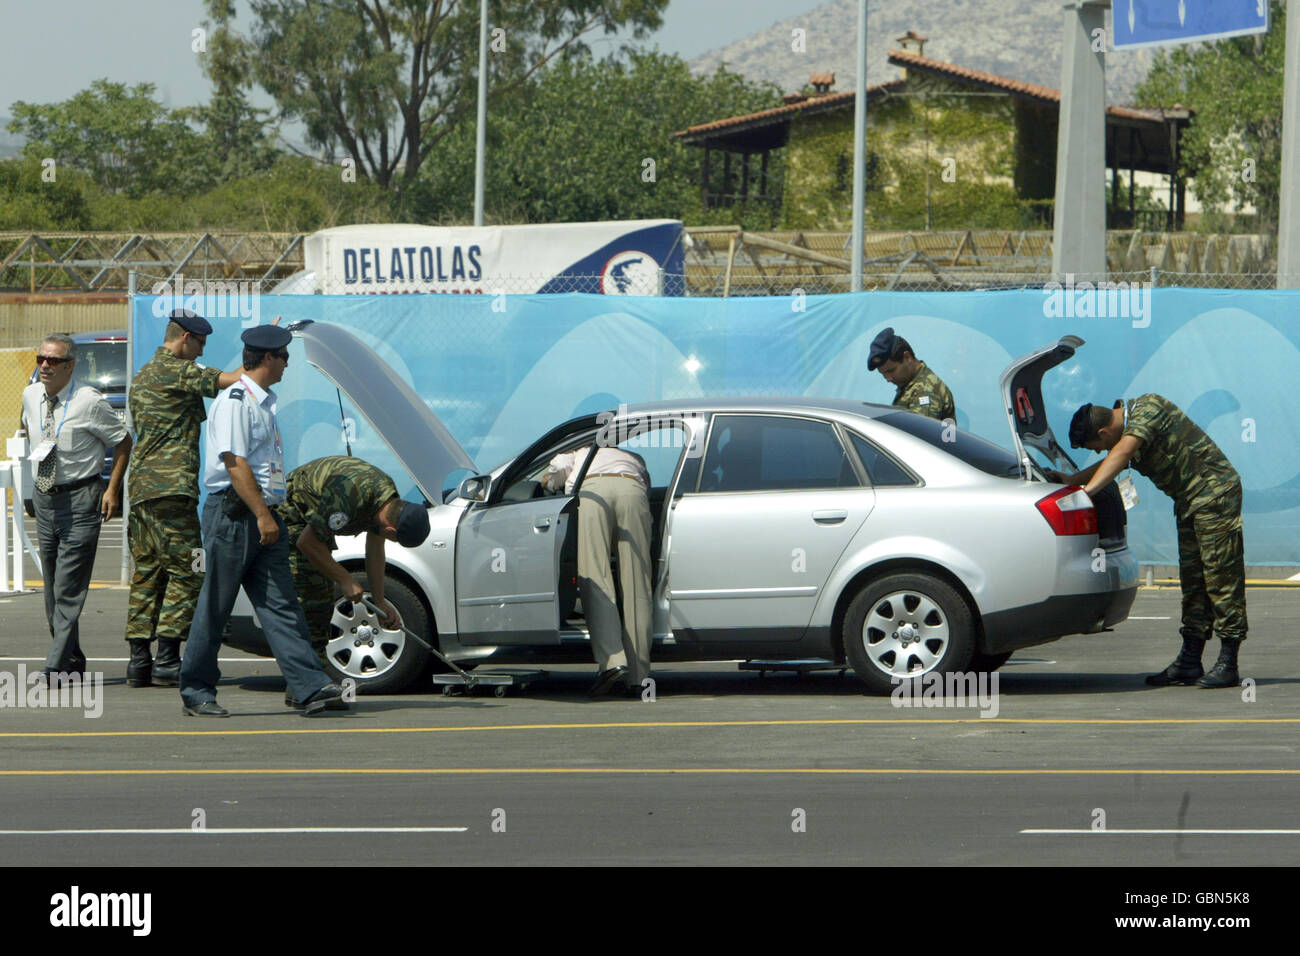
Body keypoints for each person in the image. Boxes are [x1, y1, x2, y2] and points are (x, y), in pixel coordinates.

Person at [179, 325, 344, 717]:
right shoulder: (236, 401)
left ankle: (309, 686)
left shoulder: (261, 401)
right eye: (284, 357)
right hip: (237, 514)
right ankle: (197, 689)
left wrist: (267, 515)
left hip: (261, 515)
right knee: (215, 605)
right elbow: (234, 464)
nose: (287, 364)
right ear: (268, 358)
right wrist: (262, 515)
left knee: (281, 604)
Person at [1066, 395, 1246, 688]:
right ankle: (1190, 661)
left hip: (1216, 495)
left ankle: (1229, 662)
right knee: (1194, 581)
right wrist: (1069, 480)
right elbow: (1111, 460)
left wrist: (1085, 494)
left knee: (1221, 579)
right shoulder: (1127, 435)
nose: (1101, 452)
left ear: (1103, 434)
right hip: (1191, 501)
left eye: (1097, 447)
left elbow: (1119, 455)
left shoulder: (1148, 409)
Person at [123, 309, 244, 688]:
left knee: (147, 573)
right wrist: (260, 349)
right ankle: (168, 659)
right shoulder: (176, 369)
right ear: (185, 339)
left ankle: (138, 660)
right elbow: (231, 380)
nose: (201, 352)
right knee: (189, 570)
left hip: (143, 488)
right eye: (200, 344)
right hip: (171, 488)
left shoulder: (143, 375)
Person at [21, 333, 132, 682]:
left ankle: (54, 665)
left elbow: (123, 440)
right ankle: (72, 659)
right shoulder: (30, 395)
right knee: (52, 585)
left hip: (82, 498)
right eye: (41, 358)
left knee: (69, 586)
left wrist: (112, 489)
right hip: (45, 496)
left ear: (70, 366)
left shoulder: (89, 401)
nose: (45, 365)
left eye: (53, 361)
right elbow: (31, 434)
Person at [280, 456, 430, 705]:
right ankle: (304, 686)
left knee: (321, 598)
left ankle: (308, 683)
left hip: (315, 523)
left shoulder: (387, 501)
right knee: (312, 598)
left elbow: (375, 549)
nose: (390, 540)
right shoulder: (351, 497)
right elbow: (306, 542)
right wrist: (346, 580)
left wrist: (380, 601)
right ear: (392, 530)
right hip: (290, 515)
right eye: (395, 539)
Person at [544, 444, 652, 698]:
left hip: (594, 493)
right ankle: (640, 677)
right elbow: (645, 482)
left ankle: (613, 663)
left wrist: (547, 481)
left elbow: (554, 473)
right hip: (632, 490)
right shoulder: (633, 457)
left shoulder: (576, 453)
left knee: (595, 575)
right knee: (638, 580)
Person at [867, 327, 956, 422]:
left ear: (907, 357)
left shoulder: (925, 390)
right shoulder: (909, 385)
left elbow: (919, 434)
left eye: (891, 371)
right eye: (883, 374)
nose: (888, 378)